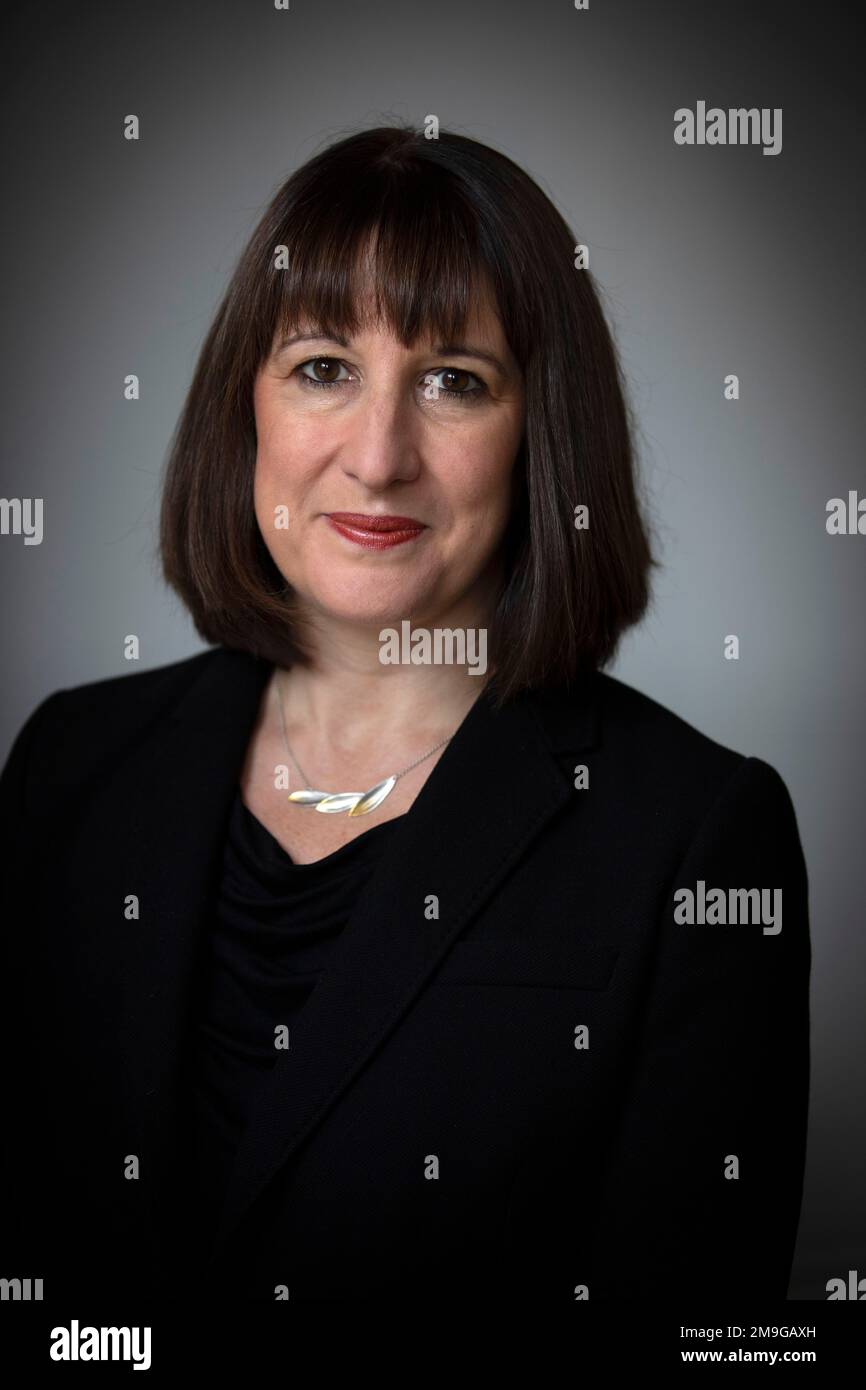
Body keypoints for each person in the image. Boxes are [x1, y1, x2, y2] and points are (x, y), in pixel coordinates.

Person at [0, 125, 809, 1307]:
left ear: (542, 431)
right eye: (322, 365)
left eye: (453, 381)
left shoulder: (693, 835)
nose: (377, 458)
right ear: (249, 408)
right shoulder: (68, 765)